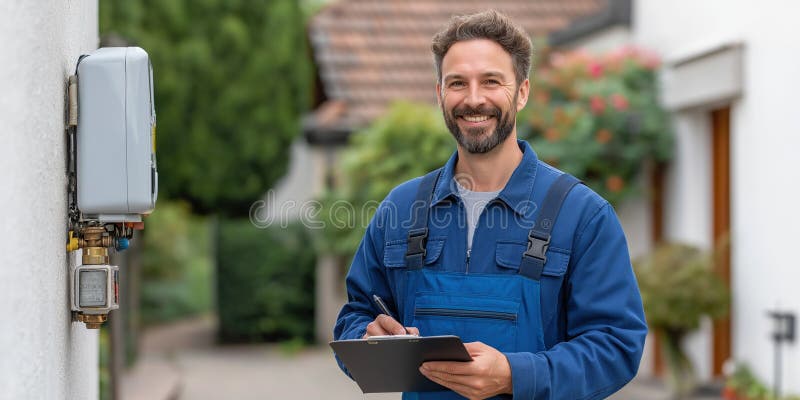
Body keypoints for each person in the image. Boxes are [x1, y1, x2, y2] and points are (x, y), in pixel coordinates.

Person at [333, 10, 647, 400]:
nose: (474, 98)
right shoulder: (401, 208)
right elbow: (355, 316)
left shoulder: (583, 215)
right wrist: (369, 337)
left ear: (522, 92)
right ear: (439, 94)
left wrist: (515, 375)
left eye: (491, 81)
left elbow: (617, 346)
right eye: (457, 83)